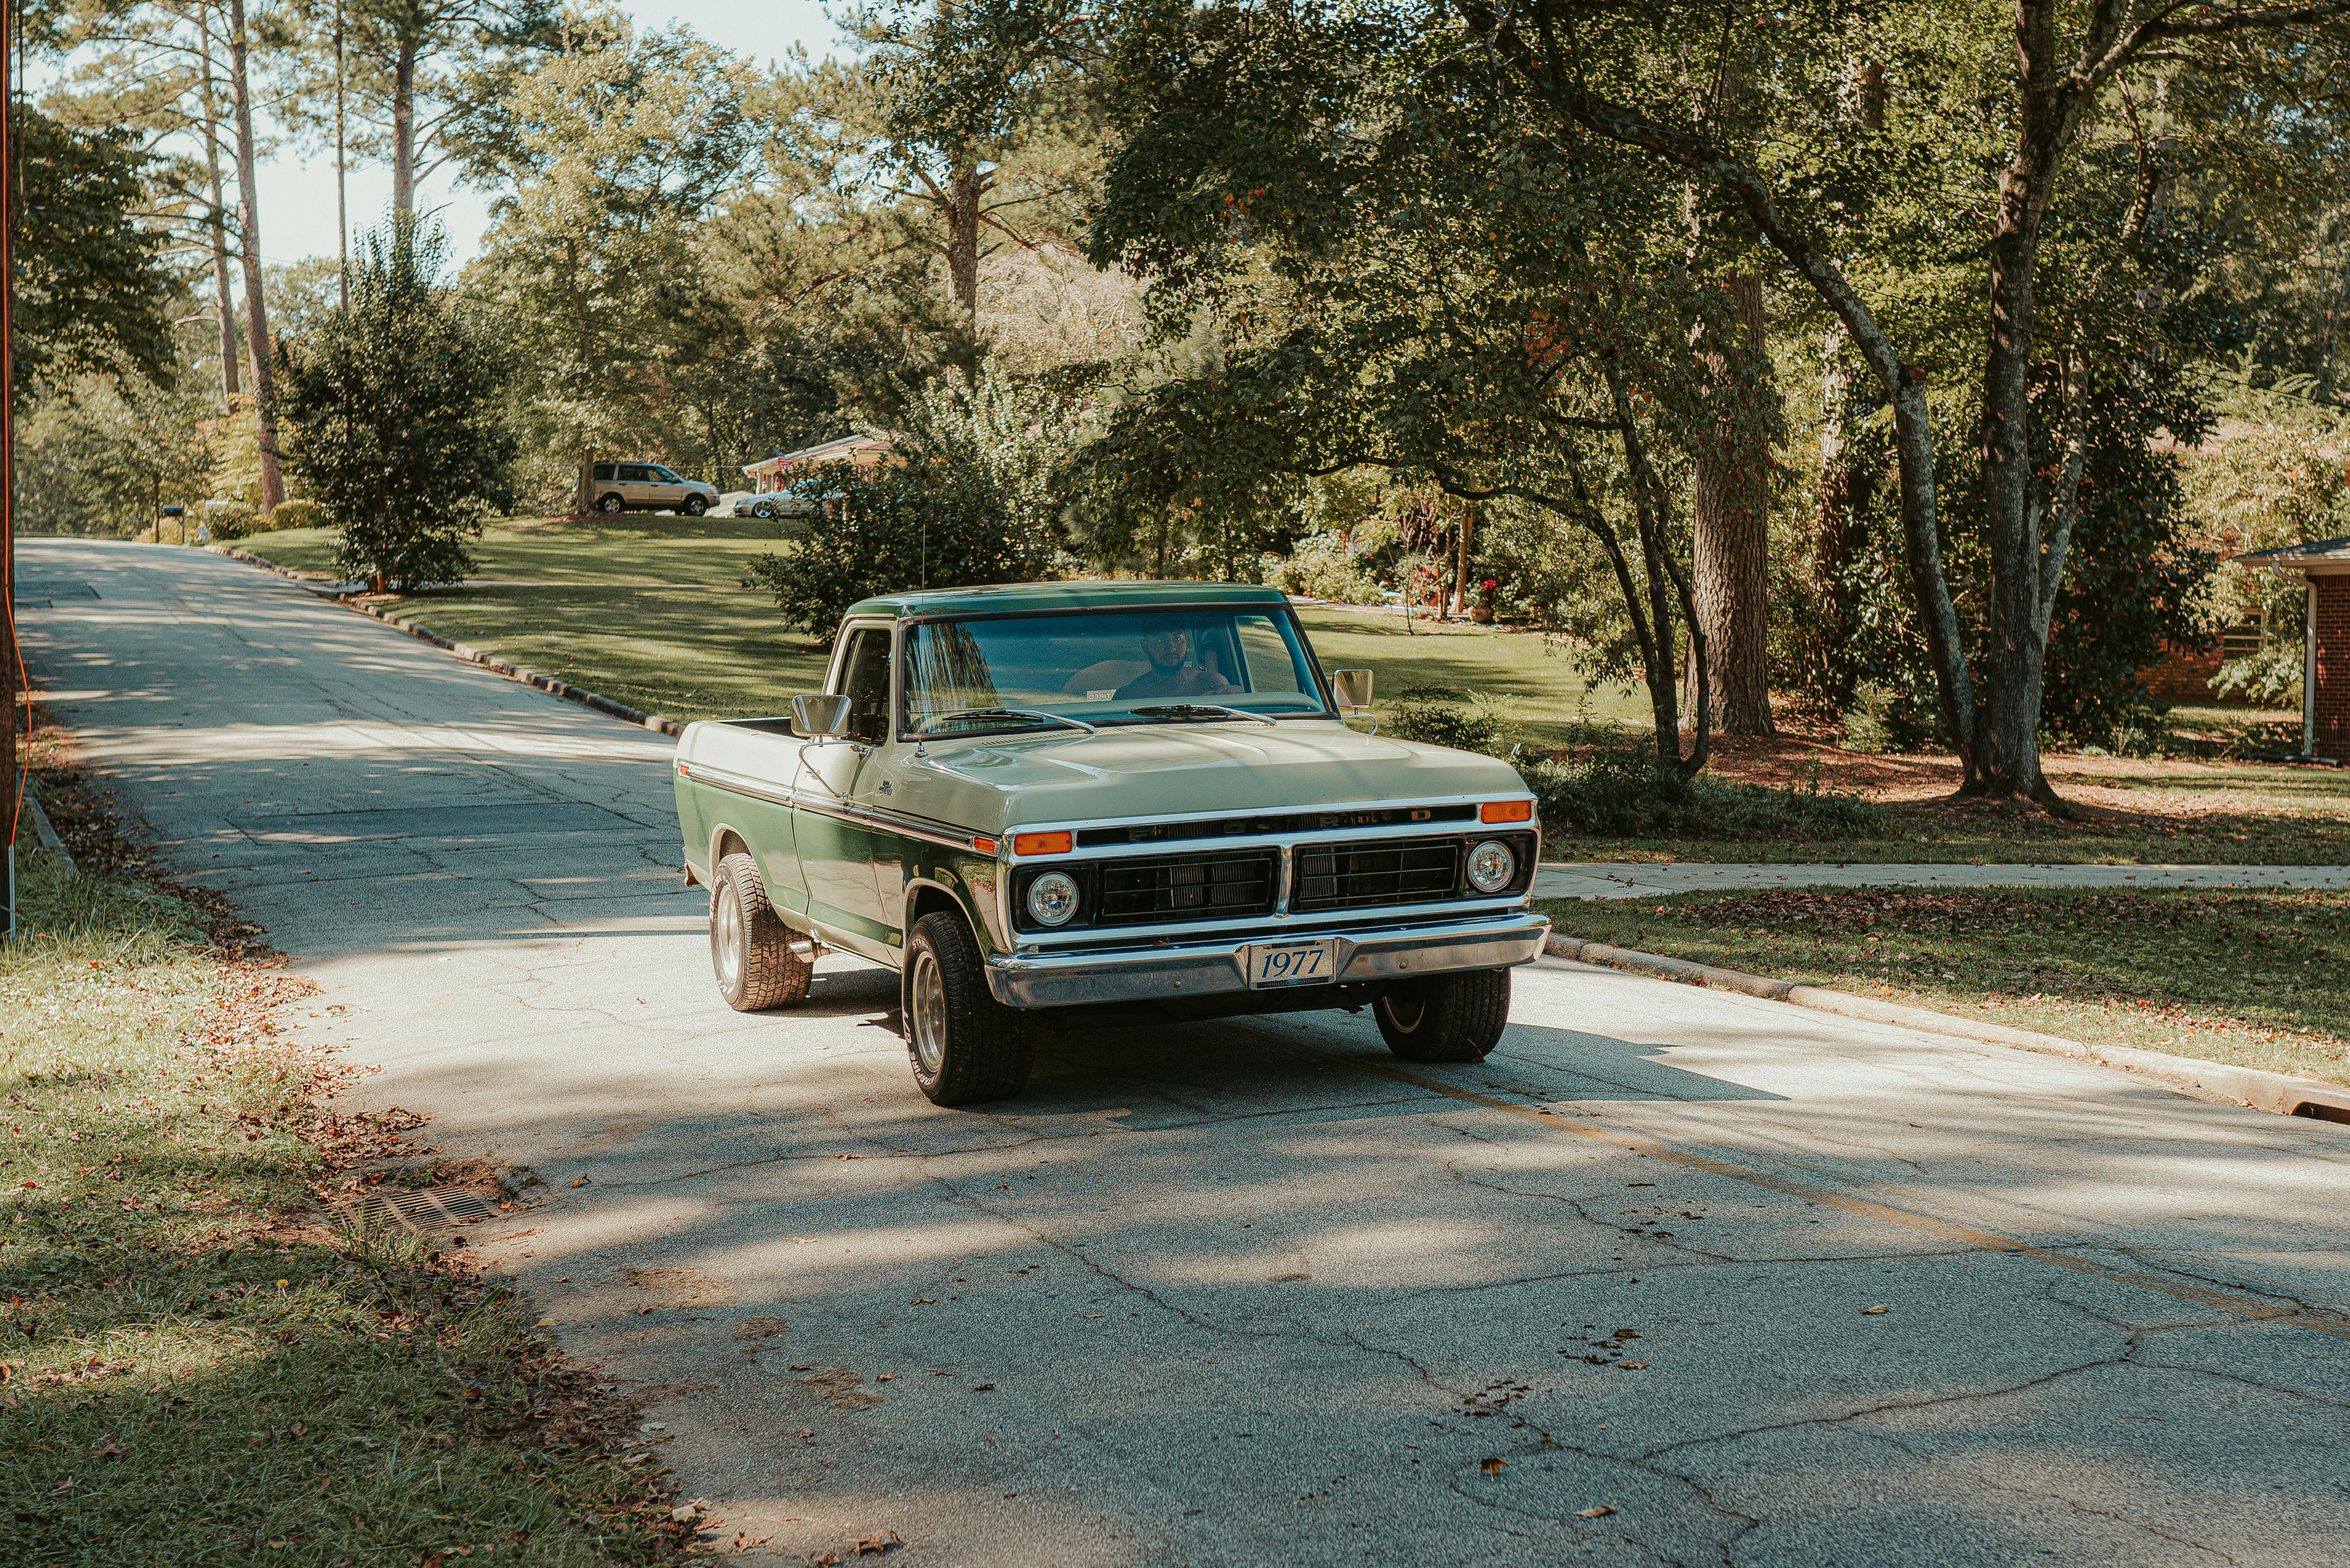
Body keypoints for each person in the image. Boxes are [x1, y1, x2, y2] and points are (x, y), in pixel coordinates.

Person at [1114, 617, 1235, 699]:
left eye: (1177, 639)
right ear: (1145, 646)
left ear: (1186, 640)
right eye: (1160, 640)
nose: (1171, 649)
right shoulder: (1129, 695)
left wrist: (1237, 694)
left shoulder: (1211, 683)